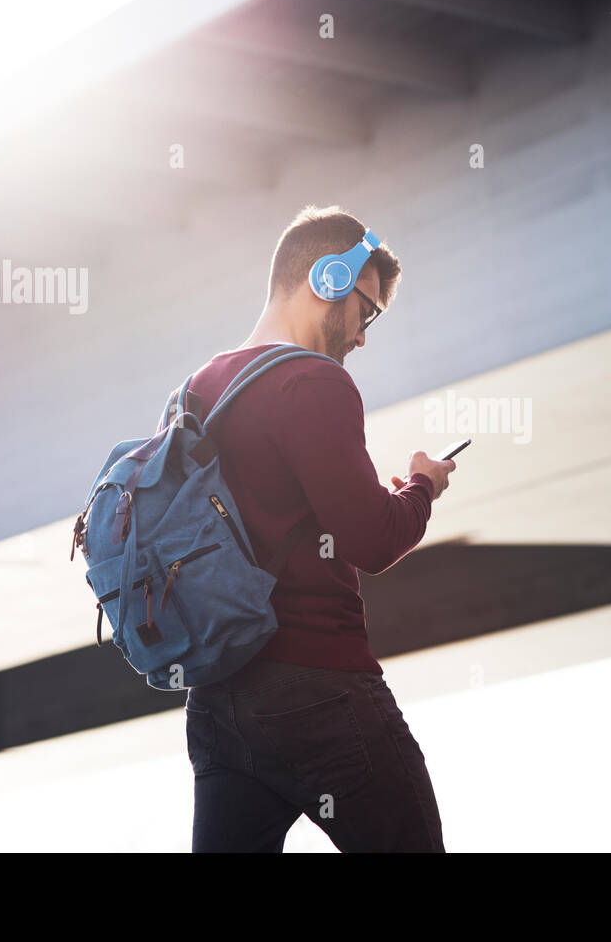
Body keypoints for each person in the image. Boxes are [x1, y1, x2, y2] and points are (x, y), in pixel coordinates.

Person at [183, 205, 455, 851]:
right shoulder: (313, 381)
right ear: (329, 279)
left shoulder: (199, 387)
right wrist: (421, 486)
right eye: (368, 311)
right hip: (320, 692)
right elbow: (374, 539)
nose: (364, 336)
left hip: (220, 701)